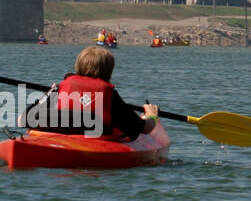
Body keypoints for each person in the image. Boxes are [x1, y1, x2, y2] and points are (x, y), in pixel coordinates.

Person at [24, 45, 159, 140]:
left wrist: (51, 92)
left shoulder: (60, 87)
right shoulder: (109, 95)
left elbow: (23, 119)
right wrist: (152, 116)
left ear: (78, 66)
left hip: (58, 140)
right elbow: (145, 129)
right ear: (109, 71)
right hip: (95, 142)